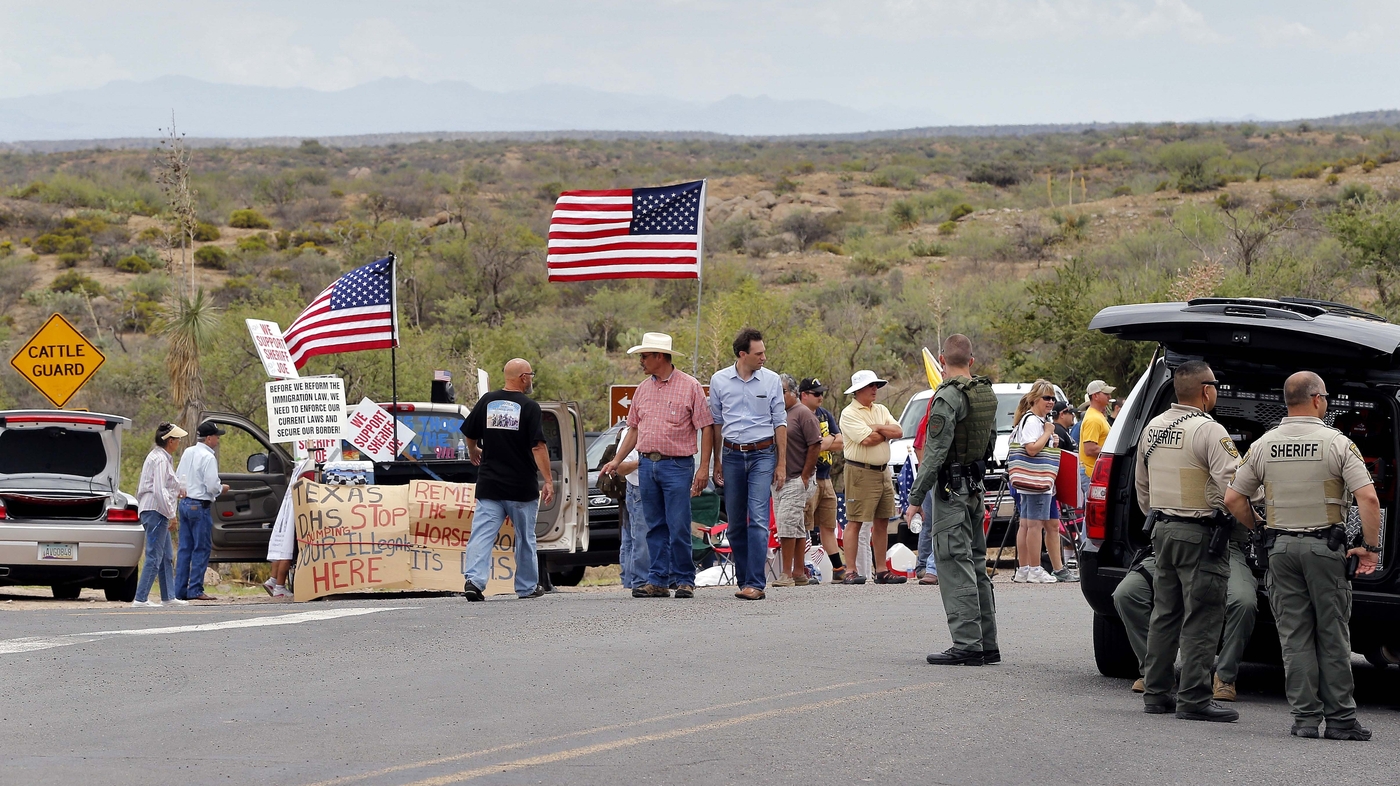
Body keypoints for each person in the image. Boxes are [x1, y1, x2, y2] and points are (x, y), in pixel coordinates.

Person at [1224, 371, 1382, 741]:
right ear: (1316, 400)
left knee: (1293, 635)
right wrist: (1370, 549)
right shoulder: (1337, 443)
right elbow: (1369, 498)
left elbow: (1233, 498)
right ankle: (1341, 720)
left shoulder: (1264, 444)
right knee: (1332, 634)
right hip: (1324, 549)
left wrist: (1260, 528)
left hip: (1279, 549)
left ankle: (1305, 720)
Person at [1134, 360, 1240, 722]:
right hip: (1199, 534)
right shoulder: (1209, 431)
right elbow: (1233, 486)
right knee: (1203, 615)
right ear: (1206, 391)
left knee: (1165, 613)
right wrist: (1253, 522)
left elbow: (1142, 487)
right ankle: (1194, 697)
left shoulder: (1153, 428)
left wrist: (1161, 513)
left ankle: (1157, 692)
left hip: (1162, 529)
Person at [903, 334, 1000, 665]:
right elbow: (988, 445)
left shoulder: (947, 398)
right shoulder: (985, 393)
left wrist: (916, 498)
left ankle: (967, 643)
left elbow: (934, 453)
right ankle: (987, 642)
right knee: (976, 564)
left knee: (953, 564)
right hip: (974, 487)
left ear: (942, 360)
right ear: (971, 361)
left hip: (951, 491)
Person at [603, 333, 713, 599]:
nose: (641, 361)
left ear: (660, 357)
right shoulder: (642, 389)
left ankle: (685, 579)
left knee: (678, 525)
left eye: (644, 356)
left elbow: (706, 428)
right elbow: (633, 429)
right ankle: (658, 580)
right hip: (646, 465)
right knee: (654, 526)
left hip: (677, 465)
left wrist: (703, 468)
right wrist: (617, 460)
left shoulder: (690, 386)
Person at [460, 358, 554, 601]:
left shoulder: (487, 401)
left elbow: (469, 431)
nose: (532, 378)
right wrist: (548, 480)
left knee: (482, 535)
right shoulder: (529, 407)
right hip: (521, 487)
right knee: (525, 538)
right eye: (530, 374)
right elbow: (538, 447)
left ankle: (474, 581)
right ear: (523, 377)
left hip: (490, 484)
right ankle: (526, 587)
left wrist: (473, 451)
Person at [1112, 543, 1257, 698]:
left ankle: (1225, 677)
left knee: (1244, 603)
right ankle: (1156, 672)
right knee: (1127, 593)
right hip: (1173, 544)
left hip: (1222, 546)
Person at [709, 327, 787, 601]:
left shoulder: (772, 380)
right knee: (735, 523)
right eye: (759, 353)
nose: (764, 357)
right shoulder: (719, 381)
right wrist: (715, 460)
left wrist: (781, 464)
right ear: (743, 354)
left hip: (763, 454)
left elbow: (780, 422)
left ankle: (756, 582)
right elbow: (716, 422)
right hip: (731, 455)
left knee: (758, 518)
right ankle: (744, 580)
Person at [838, 369, 904, 585]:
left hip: (882, 471)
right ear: (858, 390)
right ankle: (850, 570)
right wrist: (884, 431)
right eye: (871, 386)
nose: (875, 389)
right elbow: (867, 439)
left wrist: (878, 428)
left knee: (883, 520)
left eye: (876, 385)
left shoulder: (881, 409)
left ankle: (882, 570)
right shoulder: (849, 413)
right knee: (855, 520)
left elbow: (899, 431)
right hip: (860, 471)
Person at [132, 422, 191, 608]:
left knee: (166, 555)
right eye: (177, 439)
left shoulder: (163, 458)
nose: (179, 442)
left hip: (158, 510)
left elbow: (164, 487)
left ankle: (168, 596)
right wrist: (171, 513)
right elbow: (158, 490)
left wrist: (177, 491)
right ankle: (141, 598)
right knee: (154, 556)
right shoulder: (159, 459)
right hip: (155, 510)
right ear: (170, 441)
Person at [1009, 381, 1061, 584]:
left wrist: (1050, 438)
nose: (1050, 402)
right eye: (1046, 398)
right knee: (1035, 525)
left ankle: (1024, 568)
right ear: (1034, 399)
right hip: (1037, 478)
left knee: (1026, 524)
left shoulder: (1028, 420)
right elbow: (1031, 448)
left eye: (1052, 398)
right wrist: (1048, 433)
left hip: (1027, 480)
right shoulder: (1033, 422)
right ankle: (1035, 568)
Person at [772, 374, 821, 587]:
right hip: (779, 479)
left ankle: (786, 574)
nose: (779, 396)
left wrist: (804, 476)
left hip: (796, 477)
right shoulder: (777, 413)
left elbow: (815, 445)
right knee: (796, 525)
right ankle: (799, 572)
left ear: (793, 393)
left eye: (782, 392)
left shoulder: (803, 414)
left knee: (786, 524)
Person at [174, 421, 230, 601]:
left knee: (184, 548)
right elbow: (212, 485)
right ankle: (195, 589)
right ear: (208, 438)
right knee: (201, 548)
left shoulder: (188, 452)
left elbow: (178, 477)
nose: (218, 440)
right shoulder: (208, 457)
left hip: (184, 503)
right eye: (216, 436)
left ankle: (180, 590)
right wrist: (222, 489)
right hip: (200, 505)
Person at [800, 378, 846, 582]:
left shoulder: (824, 415)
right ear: (804, 395)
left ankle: (838, 568)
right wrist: (825, 442)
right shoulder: (798, 415)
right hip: (807, 476)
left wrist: (821, 443)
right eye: (816, 394)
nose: (821, 397)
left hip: (825, 477)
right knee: (805, 524)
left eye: (822, 393)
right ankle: (804, 567)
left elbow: (841, 441)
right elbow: (805, 446)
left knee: (828, 524)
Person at [263, 455, 315, 600]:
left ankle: (273, 581)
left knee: (280, 548)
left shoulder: (296, 472)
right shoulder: (303, 473)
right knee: (287, 551)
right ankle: (279, 587)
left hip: (285, 515)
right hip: (292, 513)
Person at [1051, 401, 1080, 581]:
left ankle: (1067, 561)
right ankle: (1064, 562)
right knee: (1063, 524)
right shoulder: (1058, 431)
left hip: (1066, 483)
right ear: (1062, 414)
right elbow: (1060, 457)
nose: (1072, 416)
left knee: (1068, 523)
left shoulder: (1062, 431)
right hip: (1062, 484)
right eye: (1070, 413)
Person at [615, 435, 647, 591]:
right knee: (636, 537)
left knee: (633, 537)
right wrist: (644, 462)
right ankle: (638, 580)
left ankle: (632, 579)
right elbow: (620, 467)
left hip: (642, 487)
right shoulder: (629, 433)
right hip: (635, 488)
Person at [1079, 380, 1115, 504]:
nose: (1109, 397)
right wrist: (1114, 452)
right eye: (1106, 394)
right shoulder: (1093, 419)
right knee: (1093, 511)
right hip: (1091, 473)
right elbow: (1089, 449)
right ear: (1095, 396)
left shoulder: (1097, 415)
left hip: (1093, 472)